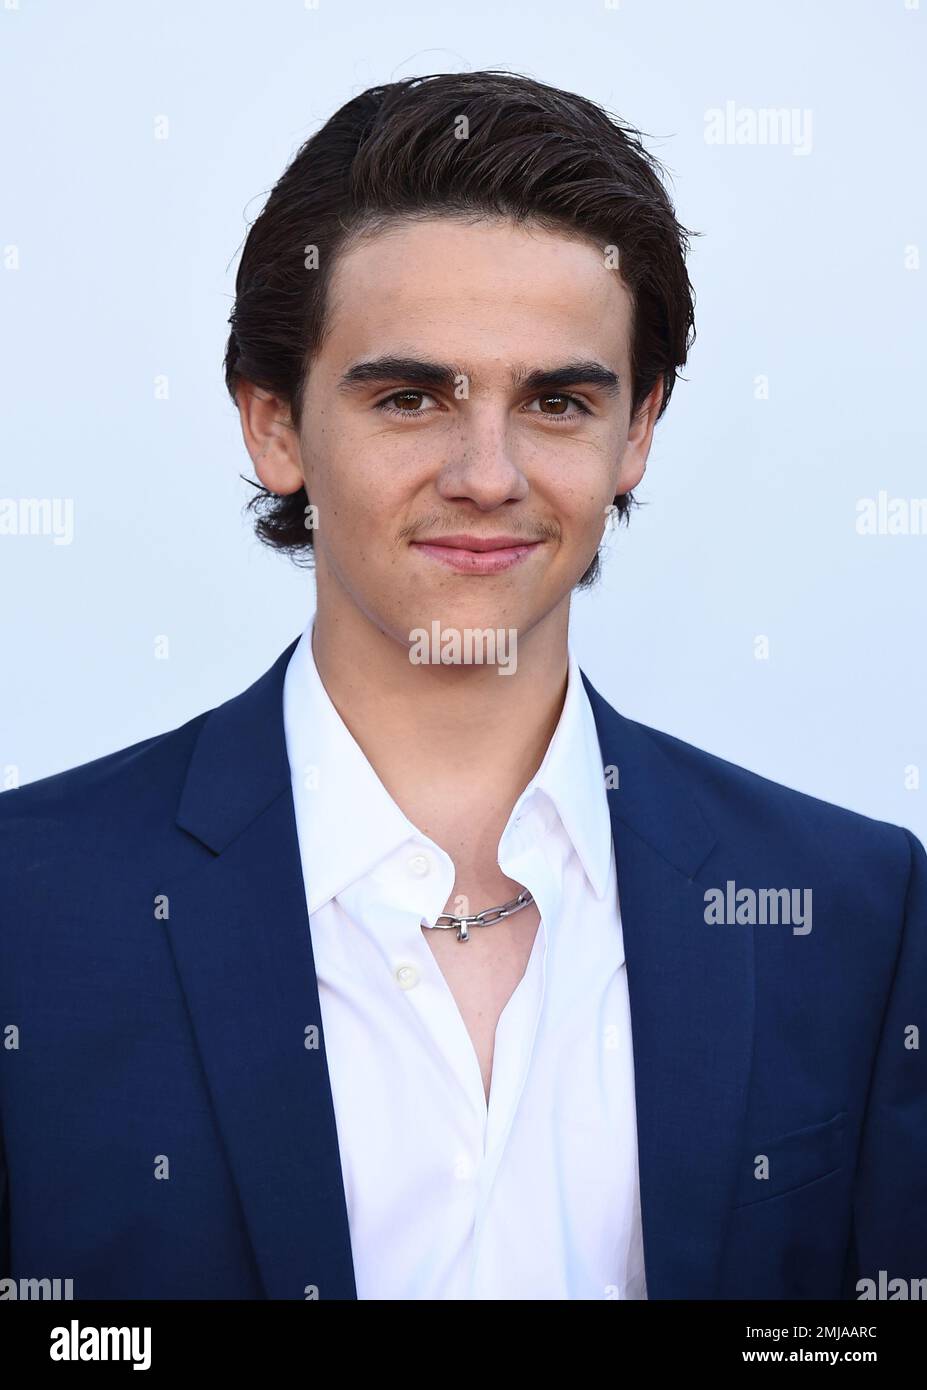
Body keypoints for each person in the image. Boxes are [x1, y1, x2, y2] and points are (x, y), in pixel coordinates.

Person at [1, 71, 924, 1302]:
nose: (487, 474)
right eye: (409, 396)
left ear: (637, 430)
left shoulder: (850, 908)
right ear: (274, 424)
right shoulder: (28, 909)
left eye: (556, 400)